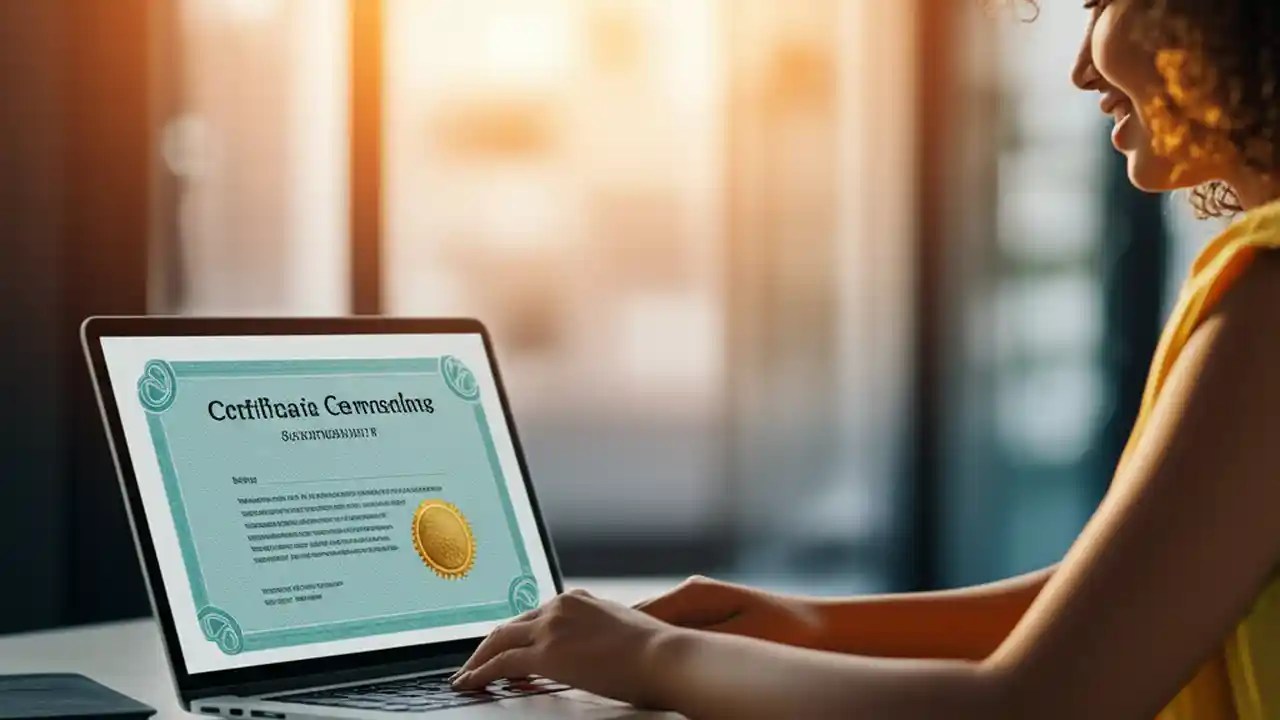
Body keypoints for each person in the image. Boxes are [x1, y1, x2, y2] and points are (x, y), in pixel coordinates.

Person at [451, 1, 1280, 717]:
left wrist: (650, 663)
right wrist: (803, 624)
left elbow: (1039, 703)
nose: (1077, 70)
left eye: (1106, 0)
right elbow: (1140, 603)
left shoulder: (1268, 288)